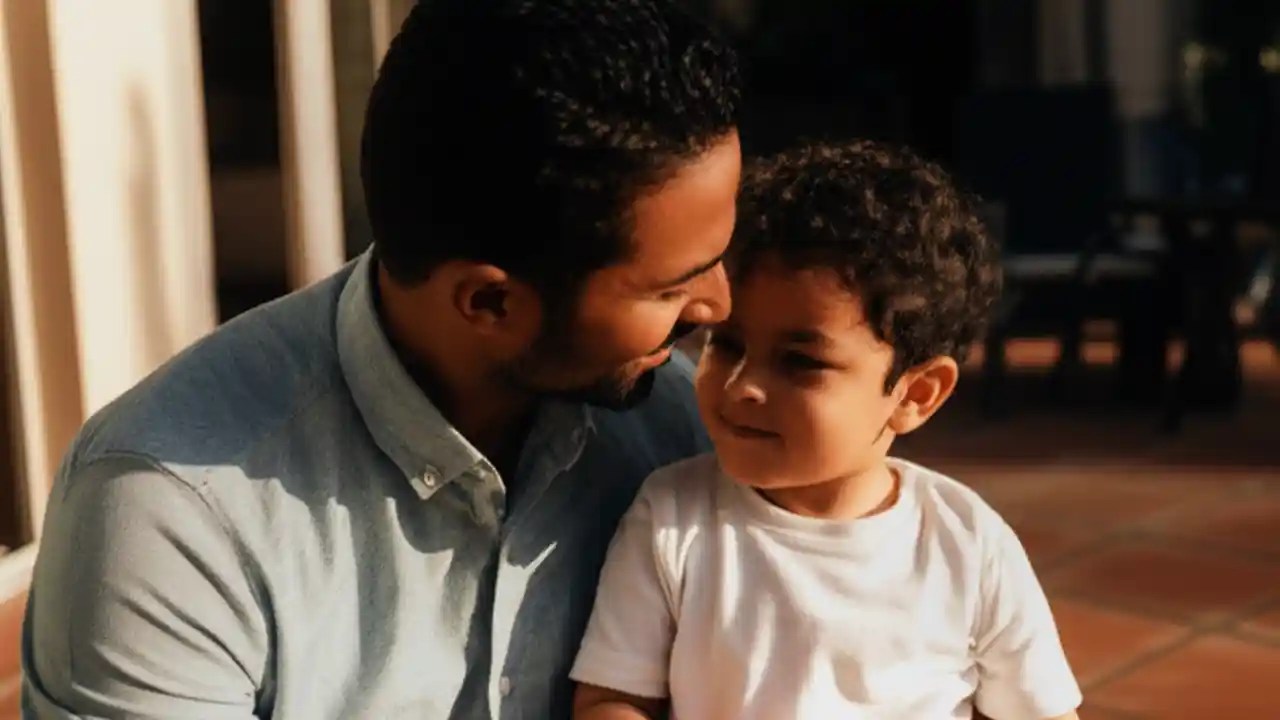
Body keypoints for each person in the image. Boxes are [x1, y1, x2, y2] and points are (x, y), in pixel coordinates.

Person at [21, 1, 742, 717]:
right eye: (670, 287)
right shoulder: (173, 509)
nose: (719, 305)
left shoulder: (688, 432)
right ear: (488, 302)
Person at [571, 141, 1084, 720]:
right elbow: (613, 698)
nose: (743, 386)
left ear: (915, 394)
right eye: (729, 345)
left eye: (800, 362)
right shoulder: (672, 518)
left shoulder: (967, 542)